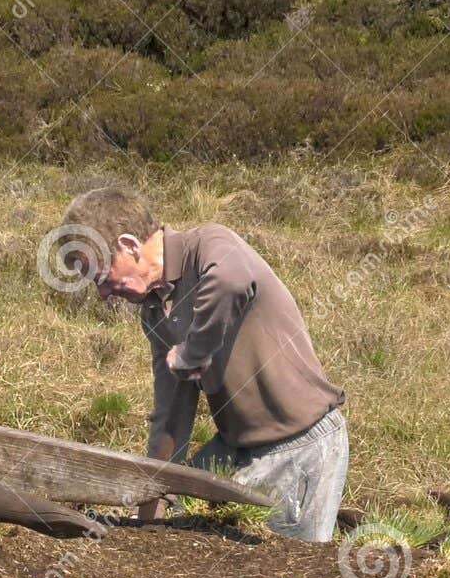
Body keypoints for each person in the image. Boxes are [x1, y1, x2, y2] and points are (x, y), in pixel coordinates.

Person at [59, 187, 347, 541]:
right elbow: (171, 416)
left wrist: (190, 354)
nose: (102, 294)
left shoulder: (211, 244)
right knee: (180, 536)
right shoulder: (153, 313)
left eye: (101, 277)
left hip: (300, 446)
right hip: (234, 448)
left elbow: (232, 282)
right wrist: (146, 520)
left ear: (129, 246)